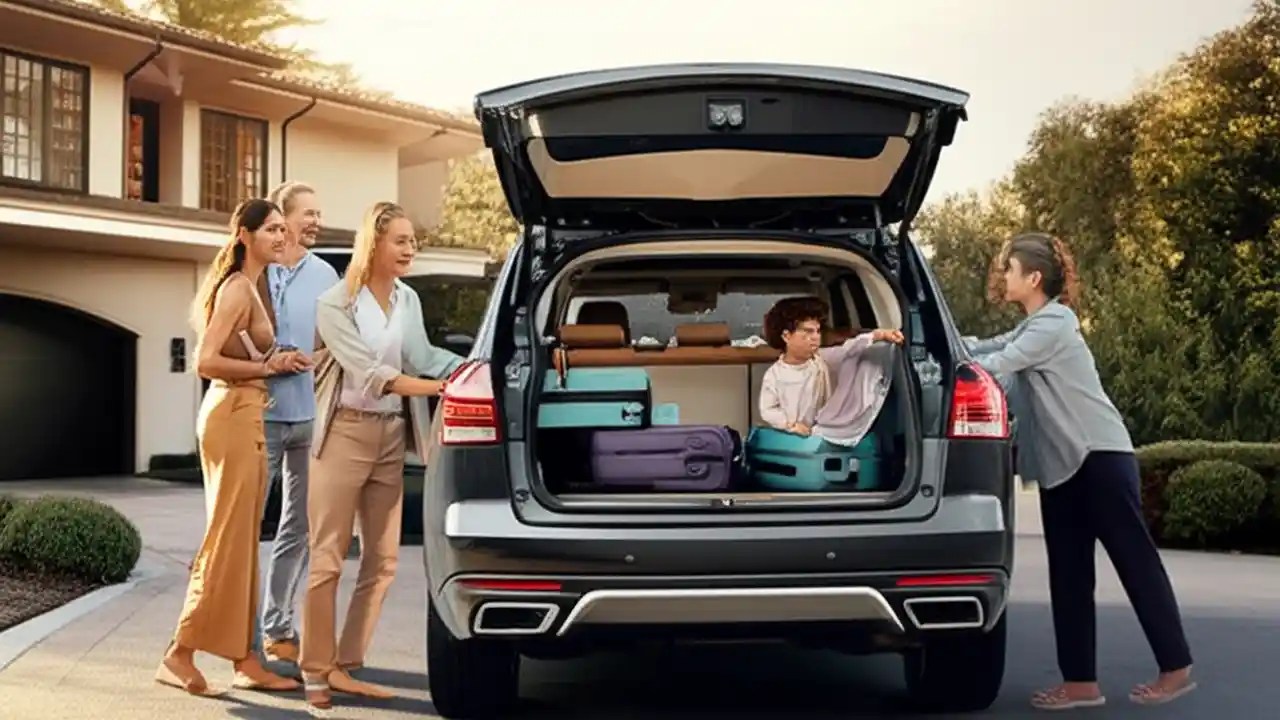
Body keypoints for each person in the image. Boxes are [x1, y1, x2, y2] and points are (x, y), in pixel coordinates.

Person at [967, 233, 1196, 711]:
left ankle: (1176, 669)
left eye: (1009, 269)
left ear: (1032, 277)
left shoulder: (1054, 323)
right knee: (1069, 576)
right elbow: (983, 346)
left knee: (1137, 565)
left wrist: (956, 364)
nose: (1002, 277)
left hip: (1100, 458)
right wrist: (934, 342)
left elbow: (996, 363)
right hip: (1063, 466)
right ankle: (1080, 683)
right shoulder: (1033, 325)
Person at [300, 201, 466, 710]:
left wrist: (478, 367)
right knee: (328, 557)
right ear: (374, 244)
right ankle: (314, 672)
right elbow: (371, 373)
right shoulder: (335, 303)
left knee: (384, 560)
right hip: (344, 435)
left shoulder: (408, 299)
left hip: (391, 433)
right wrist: (438, 386)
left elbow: (424, 356)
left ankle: (347, 665)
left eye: (412, 240)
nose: (411, 248)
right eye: (401, 240)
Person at [156, 199, 307, 697]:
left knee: (242, 543)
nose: (282, 236)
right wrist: (269, 368)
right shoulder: (238, 286)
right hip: (232, 418)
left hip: (246, 415)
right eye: (271, 229)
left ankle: (245, 659)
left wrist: (280, 360)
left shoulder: (254, 285)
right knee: (227, 540)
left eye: (285, 229)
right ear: (244, 235)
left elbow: (245, 353)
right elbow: (206, 360)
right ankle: (179, 652)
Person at [256, 181, 339, 669]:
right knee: (245, 529)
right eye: (307, 212)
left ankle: (277, 627)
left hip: (310, 416)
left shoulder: (327, 274)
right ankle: (236, 636)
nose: (315, 221)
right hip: (261, 418)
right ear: (280, 218)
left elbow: (336, 339)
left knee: (298, 527)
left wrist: (317, 355)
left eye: (318, 212)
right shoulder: (255, 271)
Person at [758, 296, 904, 440]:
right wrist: (790, 425)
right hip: (791, 438)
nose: (815, 337)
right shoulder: (775, 375)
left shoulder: (822, 360)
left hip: (823, 434)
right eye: (808, 332)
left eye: (818, 331)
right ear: (786, 336)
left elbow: (849, 349)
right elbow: (768, 409)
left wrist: (878, 335)